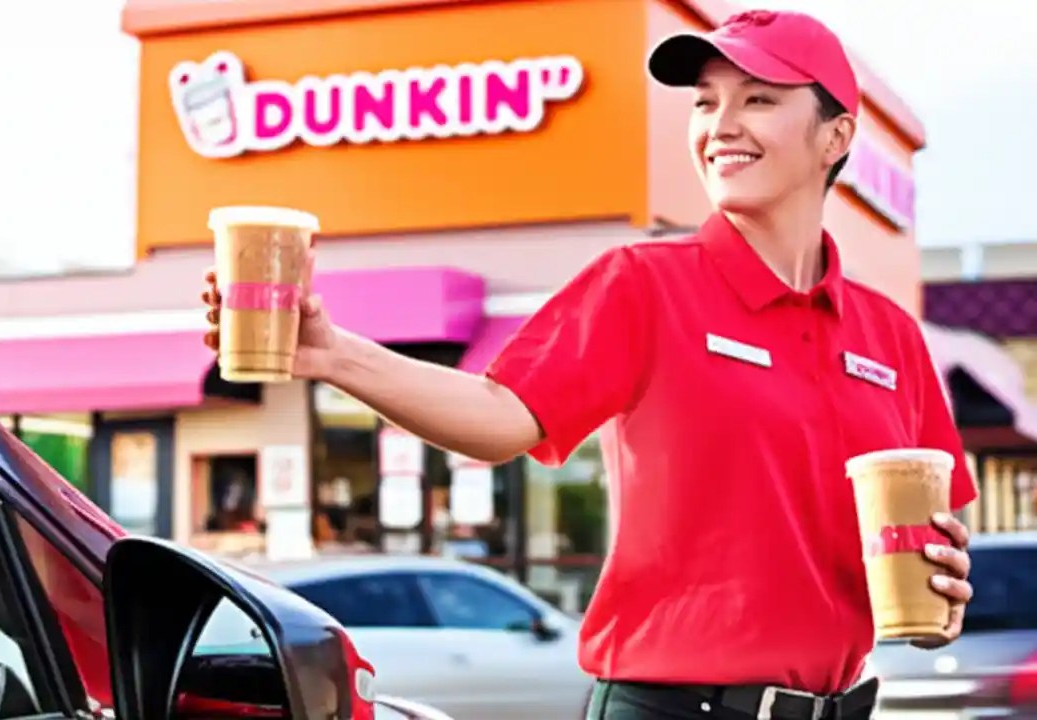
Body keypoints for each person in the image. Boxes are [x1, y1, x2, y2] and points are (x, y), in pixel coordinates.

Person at [202, 9, 976, 719]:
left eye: (759, 100)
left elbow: (935, 534)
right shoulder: (643, 285)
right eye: (706, 102)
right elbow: (501, 416)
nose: (721, 125)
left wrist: (943, 594)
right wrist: (335, 355)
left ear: (836, 136)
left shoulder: (889, 338)